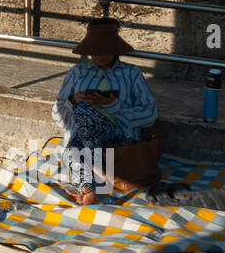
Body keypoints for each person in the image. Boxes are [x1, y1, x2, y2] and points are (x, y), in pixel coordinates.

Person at [51, 18, 158, 206]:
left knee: (82, 117)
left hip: (117, 135)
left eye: (105, 50)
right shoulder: (77, 72)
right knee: (74, 148)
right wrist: (73, 100)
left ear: (116, 49)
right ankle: (88, 188)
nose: (100, 55)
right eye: (96, 50)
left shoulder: (131, 73)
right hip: (83, 137)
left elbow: (150, 113)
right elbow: (57, 112)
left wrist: (113, 106)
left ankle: (92, 173)